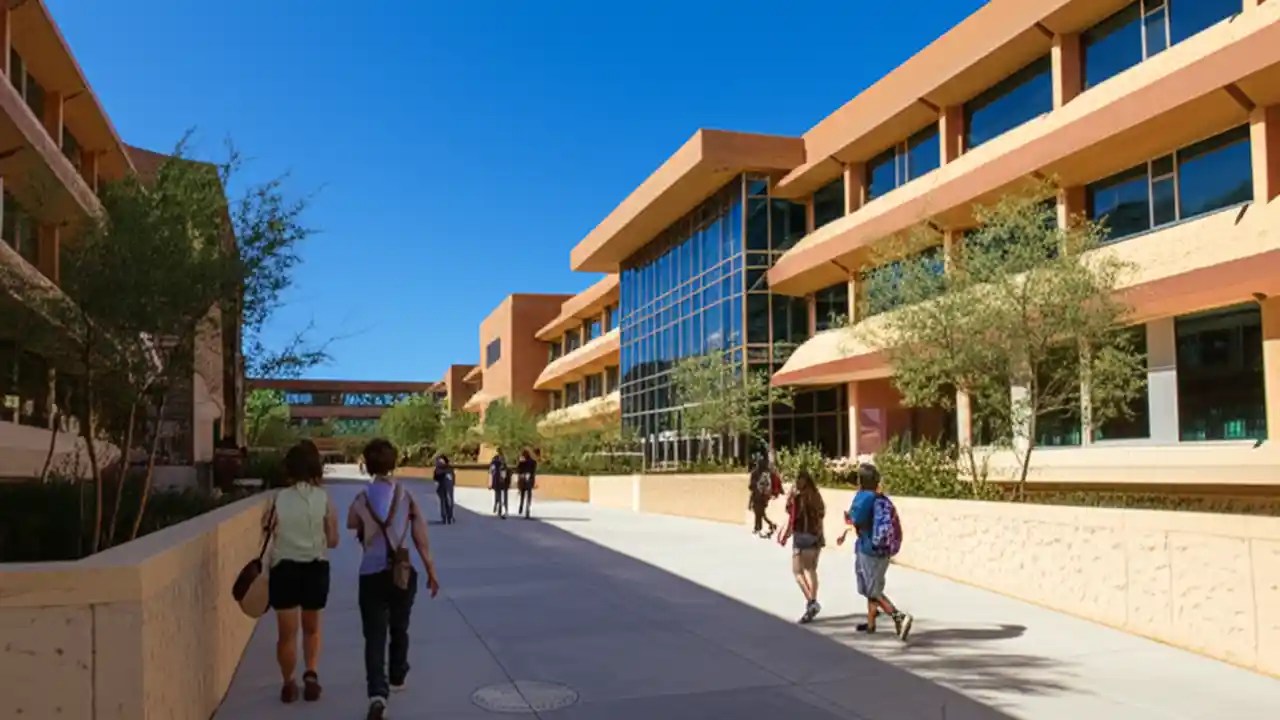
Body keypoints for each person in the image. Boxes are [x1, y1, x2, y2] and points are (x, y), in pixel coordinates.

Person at [347, 439, 441, 720]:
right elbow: (420, 537)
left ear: (367, 466)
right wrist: (431, 571)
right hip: (402, 571)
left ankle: (377, 694)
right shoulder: (406, 496)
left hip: (371, 574)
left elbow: (352, 524)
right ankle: (398, 674)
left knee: (373, 636)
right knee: (400, 626)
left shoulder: (361, 498)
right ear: (394, 463)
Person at [268, 441, 339, 703]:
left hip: (284, 568)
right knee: (312, 629)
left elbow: (268, 531)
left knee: (286, 635)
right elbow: (332, 540)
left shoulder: (277, 499)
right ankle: (311, 674)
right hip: (315, 568)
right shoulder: (323, 498)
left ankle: (288, 683)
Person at [838, 463, 913, 641]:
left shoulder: (864, 497)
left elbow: (855, 519)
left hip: (868, 548)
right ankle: (871, 623)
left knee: (871, 590)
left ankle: (899, 617)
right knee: (873, 586)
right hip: (883, 550)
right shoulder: (881, 498)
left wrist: (849, 518)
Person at [778, 470, 825, 624]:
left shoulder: (796, 497)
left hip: (800, 536)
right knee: (811, 569)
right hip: (815, 536)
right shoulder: (816, 496)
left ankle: (811, 603)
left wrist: (790, 496)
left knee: (797, 571)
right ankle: (813, 600)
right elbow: (821, 514)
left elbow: (790, 514)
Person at [747, 455, 777, 538]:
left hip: (761, 497)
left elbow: (767, 486)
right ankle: (766, 525)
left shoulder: (764, 475)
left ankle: (758, 527)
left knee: (759, 512)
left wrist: (765, 495)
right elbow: (751, 486)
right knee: (759, 513)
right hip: (757, 496)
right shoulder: (757, 474)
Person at [433, 455, 456, 524]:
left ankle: (449, 516)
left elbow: (452, 478)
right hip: (442, 487)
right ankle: (445, 517)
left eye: (441, 460)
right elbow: (435, 478)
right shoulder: (438, 469)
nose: (439, 462)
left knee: (449, 502)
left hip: (448, 487)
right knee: (444, 502)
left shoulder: (449, 468)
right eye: (438, 461)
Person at [516, 449, 537, 519]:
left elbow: (518, 470)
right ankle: (527, 510)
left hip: (523, 480)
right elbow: (533, 471)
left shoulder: (522, 462)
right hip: (529, 479)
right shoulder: (533, 462)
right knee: (528, 496)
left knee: (522, 494)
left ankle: (521, 506)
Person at [489, 451, 510, 519]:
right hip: (502, 481)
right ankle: (503, 508)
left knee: (498, 494)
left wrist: (490, 482)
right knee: (503, 495)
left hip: (497, 481)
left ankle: (498, 506)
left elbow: (491, 472)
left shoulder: (494, 463)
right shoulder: (503, 463)